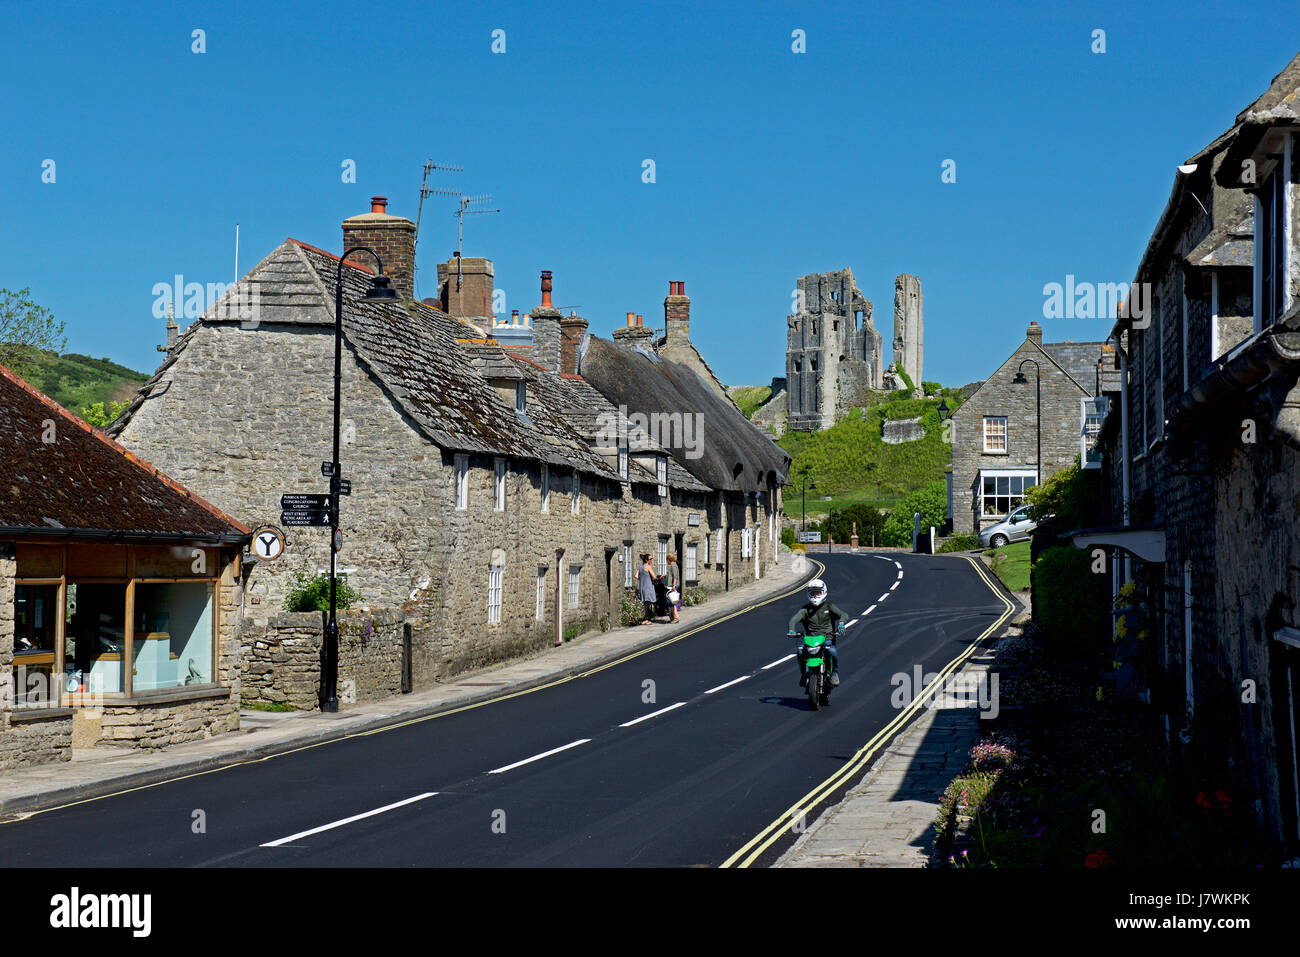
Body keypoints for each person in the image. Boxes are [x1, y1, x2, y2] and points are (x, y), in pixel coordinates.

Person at [787, 578, 846, 686]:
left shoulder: (829, 606)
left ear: (824, 592)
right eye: (812, 593)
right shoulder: (805, 609)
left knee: (832, 652)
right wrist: (791, 630)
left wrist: (841, 624)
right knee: (800, 653)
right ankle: (804, 674)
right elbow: (793, 620)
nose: (815, 596)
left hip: (827, 639)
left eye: (818, 593)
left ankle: (835, 673)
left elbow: (843, 615)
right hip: (811, 640)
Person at [637, 553, 658, 624]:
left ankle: (646, 619)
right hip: (648, 587)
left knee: (646, 603)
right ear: (646, 560)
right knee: (648, 603)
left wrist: (643, 578)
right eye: (650, 559)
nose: (651, 560)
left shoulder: (641, 567)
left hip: (642, 587)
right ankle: (645, 619)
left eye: (652, 559)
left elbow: (636, 576)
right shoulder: (648, 567)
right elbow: (654, 577)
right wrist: (657, 578)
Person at [664, 553, 682, 623]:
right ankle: (674, 617)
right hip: (670, 586)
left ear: (669, 559)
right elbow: (670, 574)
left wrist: (674, 586)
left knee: (672, 601)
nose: (666, 561)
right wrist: (665, 575)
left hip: (672, 586)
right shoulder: (672, 565)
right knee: (671, 602)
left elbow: (675, 577)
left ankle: (676, 617)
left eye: (667, 559)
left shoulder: (674, 566)